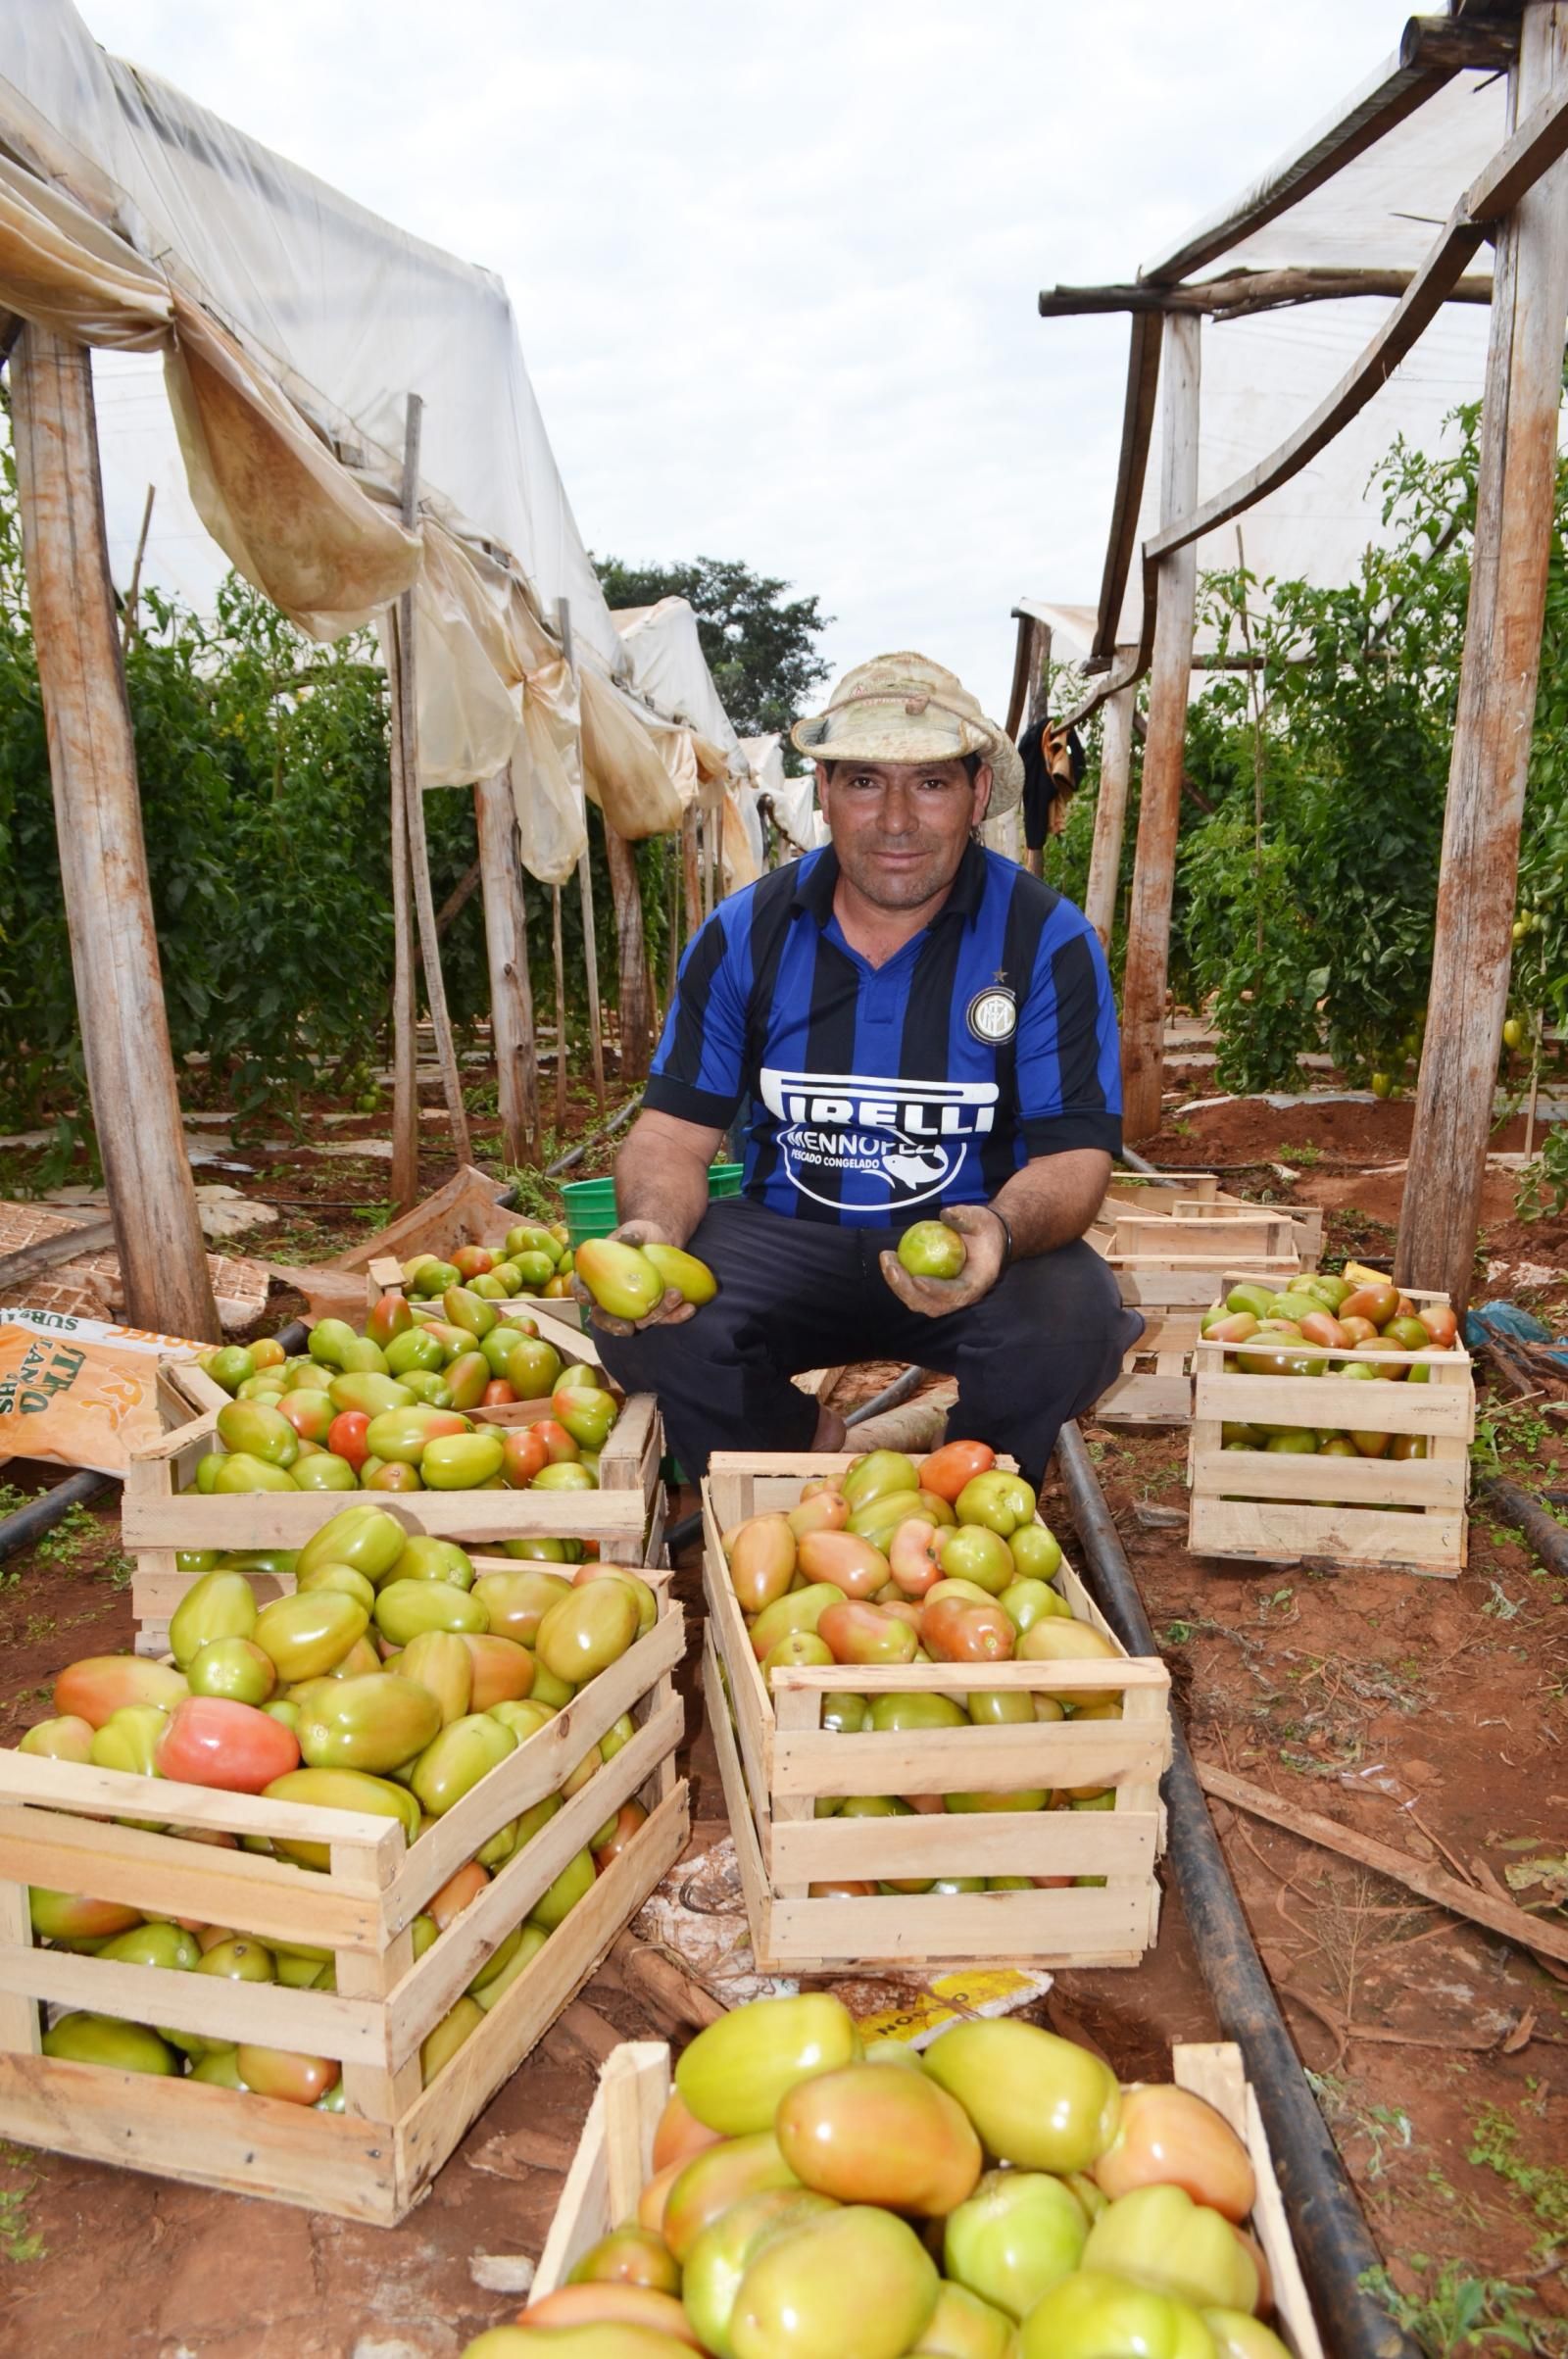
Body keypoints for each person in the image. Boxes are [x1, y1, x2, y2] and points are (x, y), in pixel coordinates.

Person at [585, 651, 1141, 1486]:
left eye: (929, 784)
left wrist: (996, 1230)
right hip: (786, 1237)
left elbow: (1074, 1158)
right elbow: (669, 1135)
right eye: (864, 783)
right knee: (651, 1322)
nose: (895, 820)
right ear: (824, 792)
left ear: (978, 794)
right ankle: (801, 1445)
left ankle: (963, 1481)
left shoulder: (1044, 941)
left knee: (1074, 1317)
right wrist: (653, 1232)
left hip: (963, 1237)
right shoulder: (746, 934)